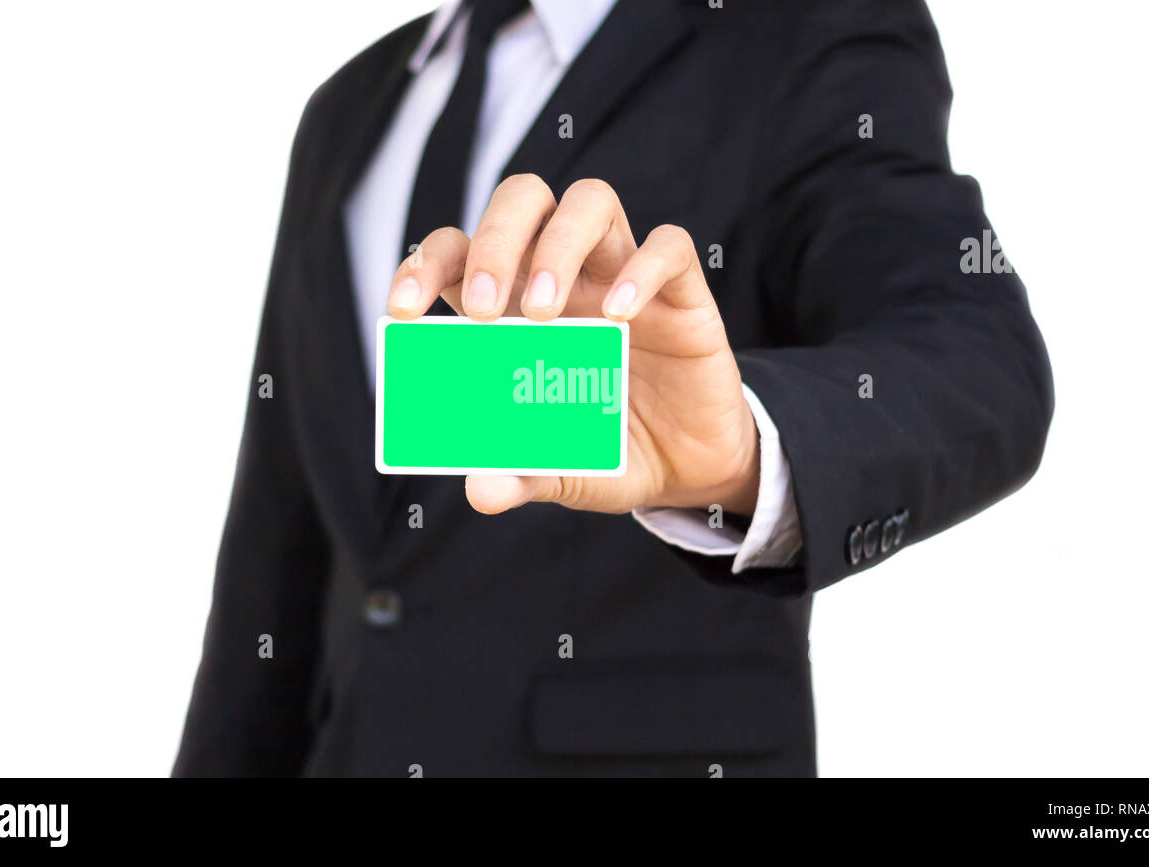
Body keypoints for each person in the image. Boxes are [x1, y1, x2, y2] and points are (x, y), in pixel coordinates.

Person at [173, 0, 1054, 777]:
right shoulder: (347, 112)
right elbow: (270, 584)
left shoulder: (803, 30)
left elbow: (980, 358)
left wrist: (745, 446)